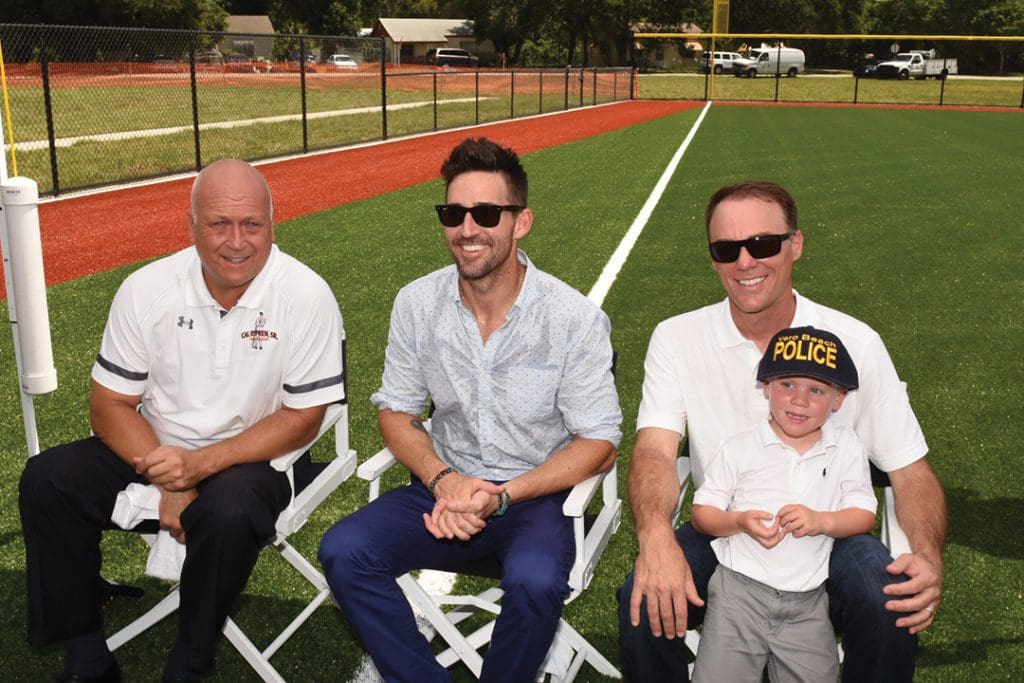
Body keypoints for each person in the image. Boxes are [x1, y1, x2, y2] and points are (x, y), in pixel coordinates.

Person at [19, 159, 346, 683]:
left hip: (250, 454)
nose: (236, 242)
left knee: (232, 510)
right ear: (190, 225)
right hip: (155, 447)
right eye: (218, 224)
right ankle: (84, 646)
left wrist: (196, 468)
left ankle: (191, 658)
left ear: (272, 222)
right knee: (48, 479)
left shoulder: (306, 296)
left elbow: (302, 418)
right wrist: (166, 476)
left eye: (251, 224)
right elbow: (109, 406)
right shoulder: (148, 289)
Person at [318, 137, 622, 683]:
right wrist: (444, 480)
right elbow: (397, 412)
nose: (467, 228)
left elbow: (599, 443)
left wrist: (501, 494)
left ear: (520, 222)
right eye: (453, 213)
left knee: (533, 581)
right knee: (344, 549)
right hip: (443, 486)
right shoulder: (416, 303)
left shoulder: (572, 317)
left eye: (485, 212)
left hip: (533, 498)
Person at [617, 180, 946, 682]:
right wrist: (655, 536)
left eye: (763, 244)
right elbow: (655, 453)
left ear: (796, 244)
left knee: (889, 597)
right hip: (726, 524)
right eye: (726, 249)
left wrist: (925, 556)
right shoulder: (678, 337)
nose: (745, 262)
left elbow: (911, 472)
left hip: (832, 529)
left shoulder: (855, 340)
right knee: (642, 597)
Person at [690, 326, 877, 682]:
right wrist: (740, 521)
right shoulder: (740, 446)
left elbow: (864, 514)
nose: (799, 400)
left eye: (817, 390)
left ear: (839, 399)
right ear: (767, 387)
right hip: (737, 594)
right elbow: (703, 514)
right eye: (788, 384)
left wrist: (822, 521)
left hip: (806, 603)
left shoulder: (847, 447)